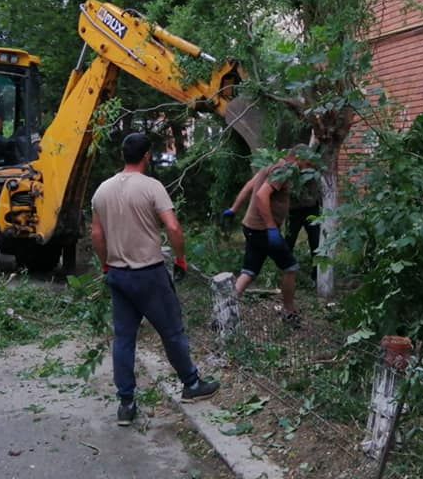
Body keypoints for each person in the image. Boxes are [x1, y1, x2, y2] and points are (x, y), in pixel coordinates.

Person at [91, 132, 219, 426]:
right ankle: (191, 383)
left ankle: (126, 403)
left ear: (123, 155)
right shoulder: (152, 187)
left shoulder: (102, 190)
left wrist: (105, 265)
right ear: (147, 155)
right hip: (149, 273)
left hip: (119, 275)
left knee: (123, 339)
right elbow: (173, 227)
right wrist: (181, 258)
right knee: (172, 332)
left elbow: (97, 234)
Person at [224, 145, 312, 325]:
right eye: (306, 163)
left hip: (251, 227)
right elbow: (261, 196)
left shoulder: (273, 164)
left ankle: (223, 311)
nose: (306, 168)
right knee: (290, 268)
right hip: (263, 230)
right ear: (297, 158)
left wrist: (234, 209)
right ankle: (289, 312)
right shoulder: (284, 170)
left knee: (249, 271)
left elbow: (250, 185)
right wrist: (271, 228)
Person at [284, 174, 321, 281]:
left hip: (311, 206)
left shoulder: (313, 162)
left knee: (316, 241)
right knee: (289, 240)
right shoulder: (290, 164)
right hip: (294, 207)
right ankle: (285, 271)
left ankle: (316, 274)